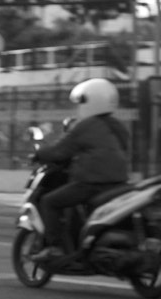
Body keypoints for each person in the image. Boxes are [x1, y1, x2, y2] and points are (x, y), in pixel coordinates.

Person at [34, 77, 130, 258]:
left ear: (91, 102)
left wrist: (39, 154)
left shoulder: (86, 126)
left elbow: (60, 151)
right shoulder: (118, 126)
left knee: (49, 201)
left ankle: (54, 247)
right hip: (119, 183)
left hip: (91, 183)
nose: (78, 108)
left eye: (81, 103)